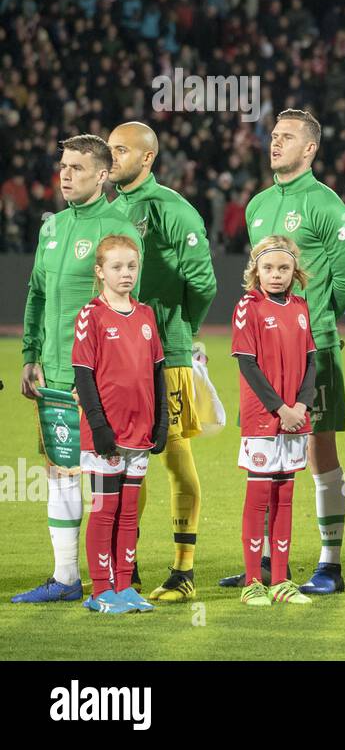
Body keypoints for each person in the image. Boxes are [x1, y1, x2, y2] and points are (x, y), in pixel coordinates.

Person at [223, 109, 345, 594]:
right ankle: (259, 566)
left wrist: (309, 323)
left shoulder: (327, 206)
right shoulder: (257, 204)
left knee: (320, 450)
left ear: (310, 149)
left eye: (287, 137)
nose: (275, 143)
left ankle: (330, 565)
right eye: (273, 135)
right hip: (264, 355)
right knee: (265, 452)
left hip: (313, 350)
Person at [15, 134, 142, 605]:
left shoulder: (117, 227)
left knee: (110, 480)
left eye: (77, 168)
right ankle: (66, 576)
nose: (65, 175)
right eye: (63, 167)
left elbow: (127, 305)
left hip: (98, 379)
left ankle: (119, 579)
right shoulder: (52, 227)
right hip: (53, 375)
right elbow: (37, 293)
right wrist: (32, 355)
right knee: (61, 474)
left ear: (103, 175)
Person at [108, 121, 217, 603]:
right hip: (118, 356)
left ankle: (183, 571)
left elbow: (204, 283)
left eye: (120, 150)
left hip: (165, 355)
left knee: (173, 454)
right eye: (109, 150)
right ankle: (125, 570)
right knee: (126, 460)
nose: (111, 157)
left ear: (146, 157)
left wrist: (179, 330)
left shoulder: (172, 209)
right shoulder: (110, 210)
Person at [73, 235, 168, 614]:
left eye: (131, 266)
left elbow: (158, 373)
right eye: (117, 267)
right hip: (107, 434)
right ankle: (100, 590)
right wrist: (98, 425)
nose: (126, 273)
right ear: (100, 272)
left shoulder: (145, 315)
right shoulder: (91, 315)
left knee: (129, 510)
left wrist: (161, 423)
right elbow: (83, 374)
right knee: (104, 509)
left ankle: (125, 585)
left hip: (140, 433)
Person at [231, 236, 317, 606]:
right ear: (256, 271)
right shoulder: (248, 307)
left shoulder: (300, 306)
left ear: (294, 272)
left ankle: (281, 580)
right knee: (259, 496)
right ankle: (253, 581)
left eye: (283, 268)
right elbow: (247, 365)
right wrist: (281, 408)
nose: (276, 275)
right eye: (268, 268)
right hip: (263, 419)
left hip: (296, 419)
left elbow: (312, 361)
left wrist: (301, 406)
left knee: (285, 496)